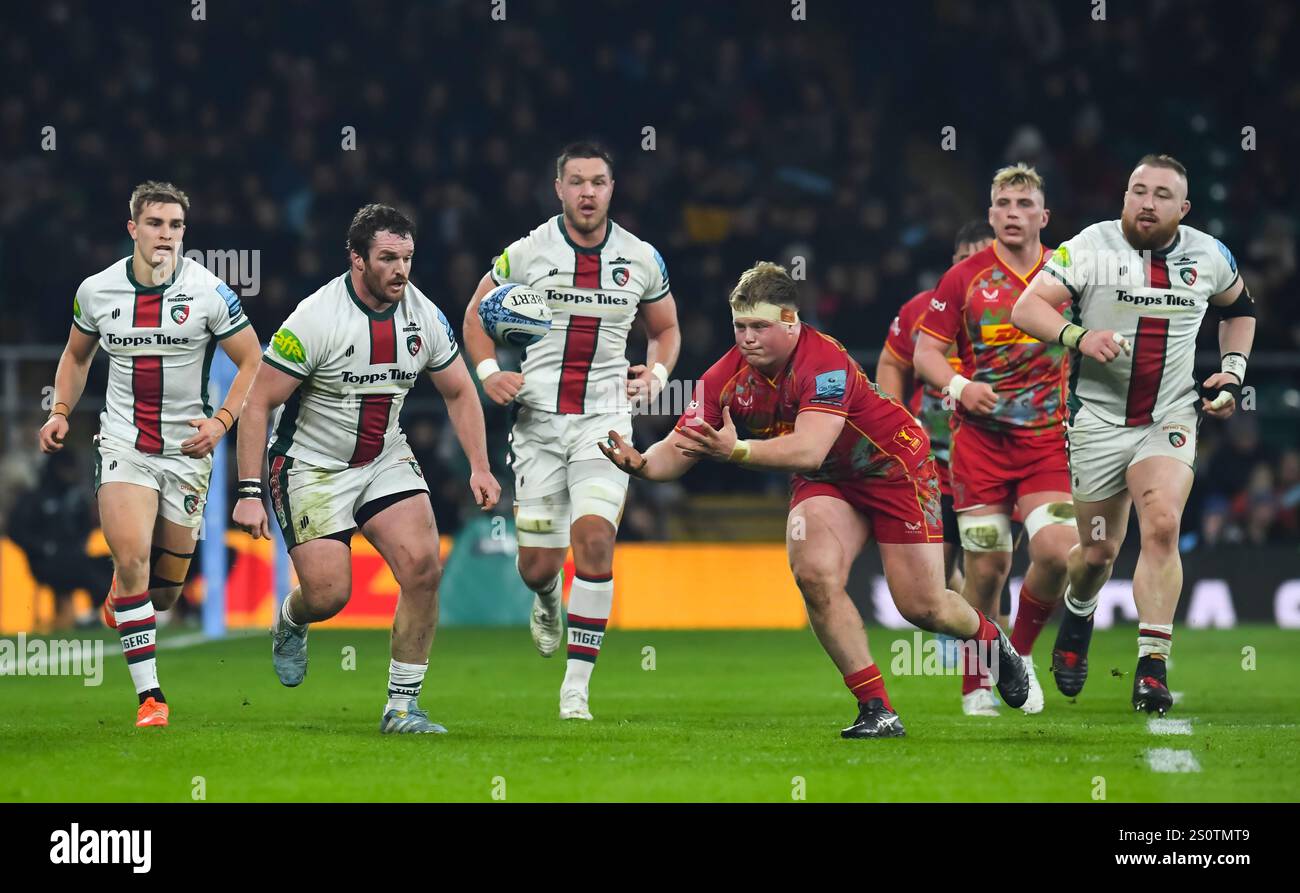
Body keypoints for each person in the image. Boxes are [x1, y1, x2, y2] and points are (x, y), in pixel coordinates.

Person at [599, 261, 1029, 739]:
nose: (747, 338)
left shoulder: (823, 362)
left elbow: (808, 446)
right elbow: (684, 444)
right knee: (814, 573)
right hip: (826, 478)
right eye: (740, 326)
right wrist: (642, 463)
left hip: (895, 471)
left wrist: (737, 449)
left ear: (791, 322)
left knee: (922, 606)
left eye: (760, 326)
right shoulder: (726, 373)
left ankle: (993, 642)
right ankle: (877, 709)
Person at [233, 203, 500, 734]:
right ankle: (292, 618)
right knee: (330, 595)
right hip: (311, 465)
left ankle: (402, 708)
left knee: (424, 567)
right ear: (357, 259)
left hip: (383, 458)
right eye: (387, 258)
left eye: (407, 258)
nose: (401, 270)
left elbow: (459, 389)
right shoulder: (313, 320)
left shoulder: (423, 316)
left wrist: (480, 466)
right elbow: (258, 403)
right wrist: (247, 491)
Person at [1011, 154, 1256, 714]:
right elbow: (1027, 309)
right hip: (1096, 420)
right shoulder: (1089, 246)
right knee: (1097, 551)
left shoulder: (1208, 255)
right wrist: (1077, 335)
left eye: (1162, 195)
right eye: (1138, 190)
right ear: (1124, 196)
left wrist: (1233, 371)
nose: (1148, 202)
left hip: (1168, 416)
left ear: (1183, 208)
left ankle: (1151, 668)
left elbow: (1240, 310)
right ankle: (1077, 614)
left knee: (1164, 524)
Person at [462, 142, 681, 720]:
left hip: (604, 423)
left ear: (613, 188)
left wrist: (656, 372)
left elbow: (667, 328)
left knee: (595, 542)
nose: (588, 192)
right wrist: (489, 374)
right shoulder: (527, 252)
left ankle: (575, 689)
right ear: (558, 188)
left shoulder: (640, 258)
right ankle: (546, 597)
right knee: (537, 566)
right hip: (536, 424)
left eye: (599, 182)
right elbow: (474, 319)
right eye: (577, 181)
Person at [38, 181, 262, 727]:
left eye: (176, 226)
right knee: (132, 557)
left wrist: (222, 422)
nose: (166, 235)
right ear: (133, 228)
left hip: (187, 451)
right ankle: (151, 698)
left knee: (162, 595)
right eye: (156, 224)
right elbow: (75, 354)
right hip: (124, 444)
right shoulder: (97, 290)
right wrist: (62, 410)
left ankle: (126, 595)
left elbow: (253, 360)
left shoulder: (209, 292)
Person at [912, 165, 1077, 717]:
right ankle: (975, 680)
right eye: (1003, 203)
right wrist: (960, 386)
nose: (1013, 212)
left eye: (1024, 203)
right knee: (987, 569)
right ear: (990, 215)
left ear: (1043, 216)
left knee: (1056, 552)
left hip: (1046, 444)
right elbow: (924, 354)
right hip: (979, 447)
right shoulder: (964, 279)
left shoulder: (1069, 270)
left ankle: (1019, 656)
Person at [876, 219, 995, 595]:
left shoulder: (1020, 313)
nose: (972, 271)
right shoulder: (921, 310)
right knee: (935, 575)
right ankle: (961, 631)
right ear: (952, 263)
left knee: (990, 563)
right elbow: (892, 363)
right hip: (934, 464)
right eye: (964, 261)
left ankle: (1002, 651)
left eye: (984, 262)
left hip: (997, 459)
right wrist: (899, 420)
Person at [8, 450, 114, 630]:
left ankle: (93, 614)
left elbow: (86, 526)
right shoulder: (36, 498)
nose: (72, 473)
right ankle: (85, 617)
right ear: (56, 469)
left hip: (73, 557)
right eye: (68, 469)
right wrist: (43, 548)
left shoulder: (75, 498)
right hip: (44, 563)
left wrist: (79, 543)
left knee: (108, 564)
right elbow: (16, 531)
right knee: (86, 571)